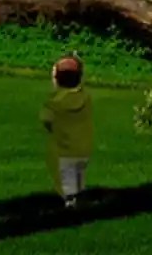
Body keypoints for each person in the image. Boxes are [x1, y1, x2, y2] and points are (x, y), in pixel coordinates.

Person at [41, 54, 94, 209]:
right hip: (83, 145)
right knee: (79, 171)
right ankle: (78, 195)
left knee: (67, 173)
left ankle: (71, 200)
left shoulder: (55, 102)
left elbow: (46, 119)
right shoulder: (85, 98)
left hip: (64, 146)